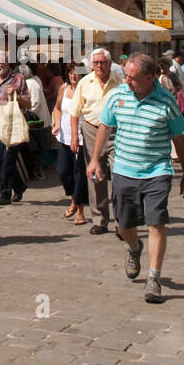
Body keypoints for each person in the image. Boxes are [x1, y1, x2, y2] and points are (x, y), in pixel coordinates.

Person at [88, 52, 184, 303]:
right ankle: (134, 247)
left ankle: (153, 278)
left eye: (132, 78)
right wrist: (94, 159)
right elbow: (105, 126)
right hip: (124, 169)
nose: (127, 82)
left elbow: (180, 138)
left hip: (157, 170)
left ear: (149, 77)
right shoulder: (118, 96)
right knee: (124, 224)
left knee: (156, 222)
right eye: (125, 76)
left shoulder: (167, 102)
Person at [67, 48, 121, 233]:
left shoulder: (119, 82)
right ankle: (99, 219)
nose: (99, 66)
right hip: (91, 129)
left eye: (103, 62)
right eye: (96, 63)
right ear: (91, 64)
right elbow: (74, 113)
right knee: (95, 174)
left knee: (120, 173)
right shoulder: (85, 82)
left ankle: (121, 220)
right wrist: (74, 136)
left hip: (115, 132)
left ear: (109, 63)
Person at [0, 51, 32, 205]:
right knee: (0, 158)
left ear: (8, 64)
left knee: (8, 158)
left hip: (12, 124)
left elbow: (28, 103)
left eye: (2, 64)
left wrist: (17, 96)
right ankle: (19, 186)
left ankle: (4, 194)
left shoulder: (18, 79)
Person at [52, 64, 88, 224]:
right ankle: (74, 198)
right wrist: (57, 124)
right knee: (62, 171)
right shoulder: (64, 89)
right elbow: (57, 108)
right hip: (65, 137)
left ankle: (80, 210)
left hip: (81, 139)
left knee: (79, 174)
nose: (74, 76)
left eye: (77, 73)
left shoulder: (86, 91)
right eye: (71, 72)